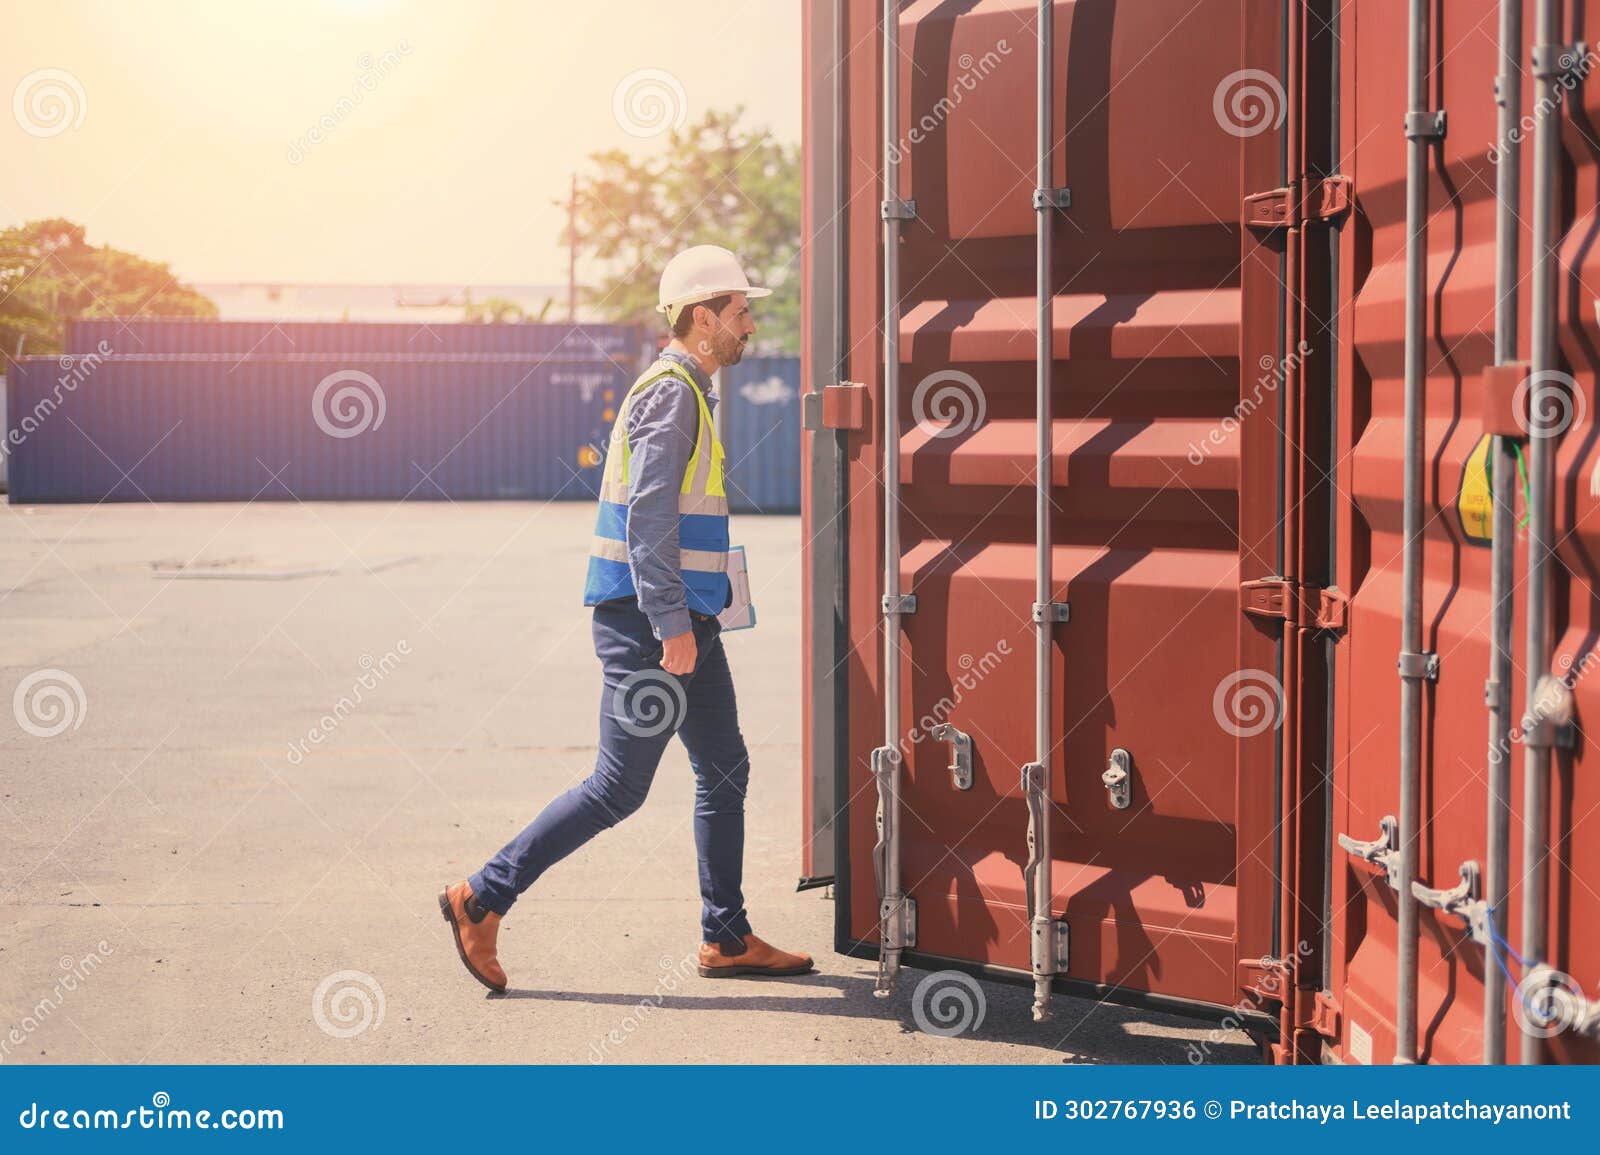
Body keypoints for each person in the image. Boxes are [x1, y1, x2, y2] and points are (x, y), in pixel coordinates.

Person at [439, 245, 814, 991]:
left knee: (725, 768)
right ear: (703, 317)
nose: (751, 323)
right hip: (650, 624)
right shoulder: (672, 391)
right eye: (741, 310)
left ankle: (726, 935)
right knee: (619, 786)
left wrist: (693, 619)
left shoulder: (692, 390)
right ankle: (482, 895)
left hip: (686, 622)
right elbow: (647, 517)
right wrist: (672, 620)